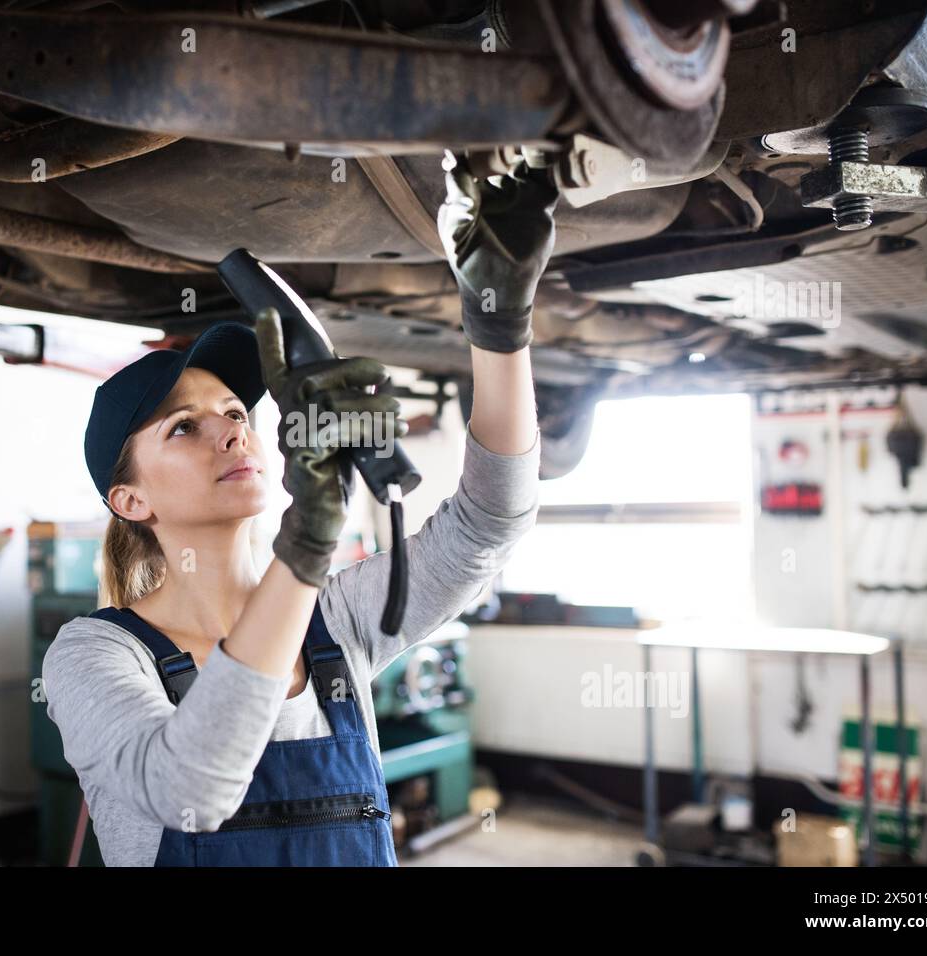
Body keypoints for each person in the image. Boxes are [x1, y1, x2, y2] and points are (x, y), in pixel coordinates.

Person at [42, 153, 559, 866]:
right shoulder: (95, 654)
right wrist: (308, 539)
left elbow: (489, 523)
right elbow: (191, 790)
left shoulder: (335, 625)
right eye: (182, 427)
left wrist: (501, 327)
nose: (231, 428)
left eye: (233, 409)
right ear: (129, 500)